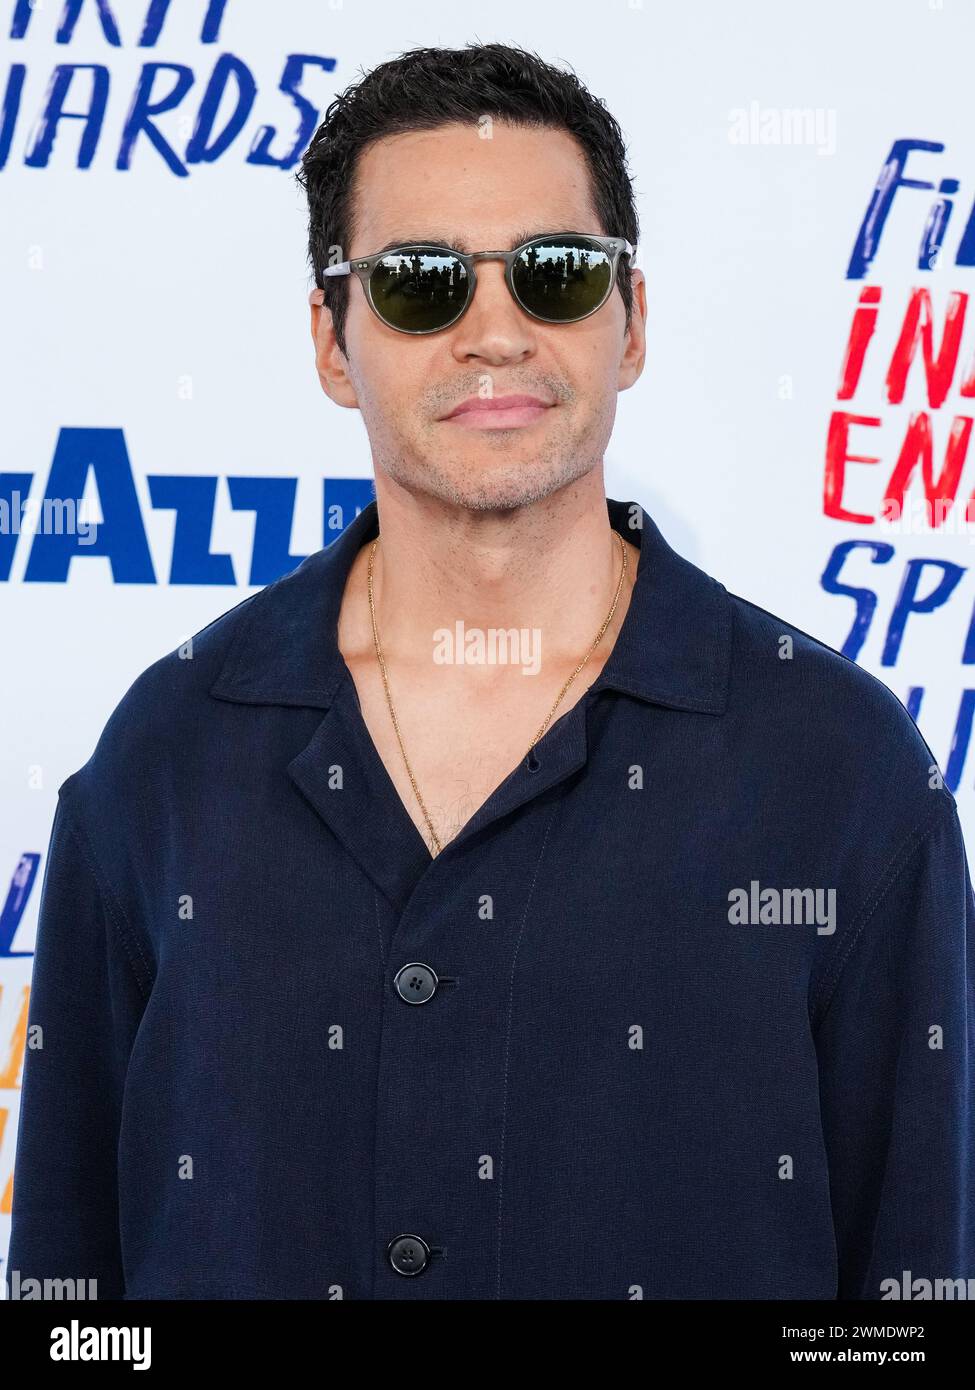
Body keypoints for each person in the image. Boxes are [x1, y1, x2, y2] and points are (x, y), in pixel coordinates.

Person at [8, 42, 974, 1302]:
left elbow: (915, 1297)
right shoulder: (165, 756)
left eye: (556, 275)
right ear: (331, 339)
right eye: (419, 285)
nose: (497, 333)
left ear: (631, 322)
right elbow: (72, 1309)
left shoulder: (842, 774)